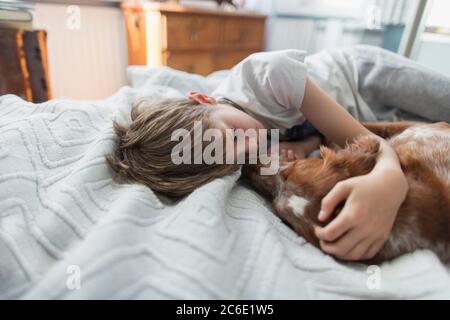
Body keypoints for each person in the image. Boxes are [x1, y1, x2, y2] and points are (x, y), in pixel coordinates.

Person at [107, 45, 450, 261]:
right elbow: (321, 135)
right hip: (370, 118)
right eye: (235, 156)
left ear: (204, 98)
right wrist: (304, 147)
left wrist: (389, 185)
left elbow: (369, 143)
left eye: (234, 133)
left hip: (363, 79)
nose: (251, 146)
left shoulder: (268, 76)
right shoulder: (236, 154)